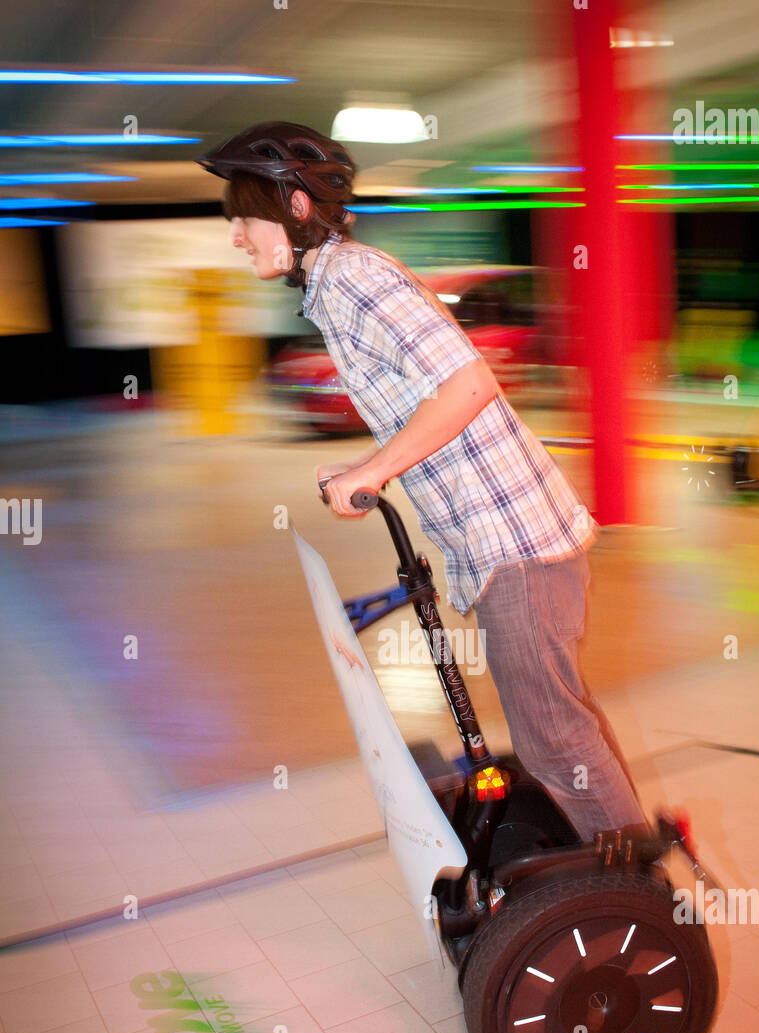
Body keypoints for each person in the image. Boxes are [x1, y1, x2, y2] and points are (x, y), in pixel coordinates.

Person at [199, 122, 647, 841]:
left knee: (554, 739)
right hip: (503, 540)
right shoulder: (337, 286)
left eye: (242, 218)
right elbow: (424, 398)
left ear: (295, 208)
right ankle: (616, 875)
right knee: (553, 731)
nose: (236, 236)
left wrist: (374, 470)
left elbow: (467, 384)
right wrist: (361, 469)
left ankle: (637, 889)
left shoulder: (354, 280)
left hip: (518, 545)